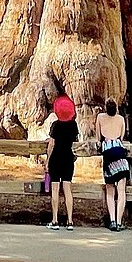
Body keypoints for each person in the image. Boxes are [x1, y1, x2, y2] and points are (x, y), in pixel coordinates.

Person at [95, 98, 129, 231]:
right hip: (120, 153)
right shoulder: (120, 119)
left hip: (108, 155)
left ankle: (113, 221)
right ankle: (120, 222)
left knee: (110, 190)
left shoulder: (100, 118)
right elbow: (121, 136)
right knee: (121, 191)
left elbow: (98, 138)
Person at [45, 95, 78, 230]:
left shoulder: (55, 125)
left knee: (55, 189)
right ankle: (70, 221)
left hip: (56, 158)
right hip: (68, 158)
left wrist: (47, 160)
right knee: (67, 189)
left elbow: (51, 144)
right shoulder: (73, 125)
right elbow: (75, 143)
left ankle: (55, 220)